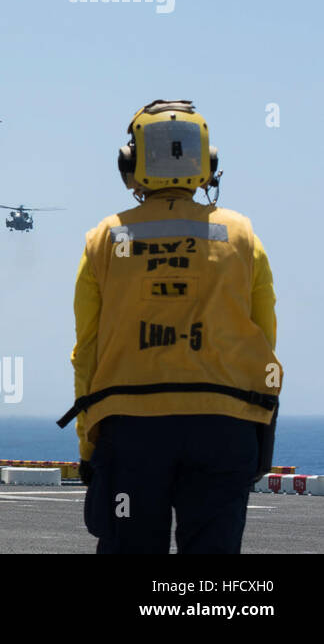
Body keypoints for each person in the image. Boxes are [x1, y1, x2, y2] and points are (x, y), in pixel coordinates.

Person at [58, 100, 282, 553]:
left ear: (130, 164)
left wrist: (88, 445)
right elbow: (264, 335)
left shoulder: (105, 239)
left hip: (130, 435)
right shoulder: (241, 236)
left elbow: (88, 350)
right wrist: (257, 427)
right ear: (209, 163)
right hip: (225, 429)